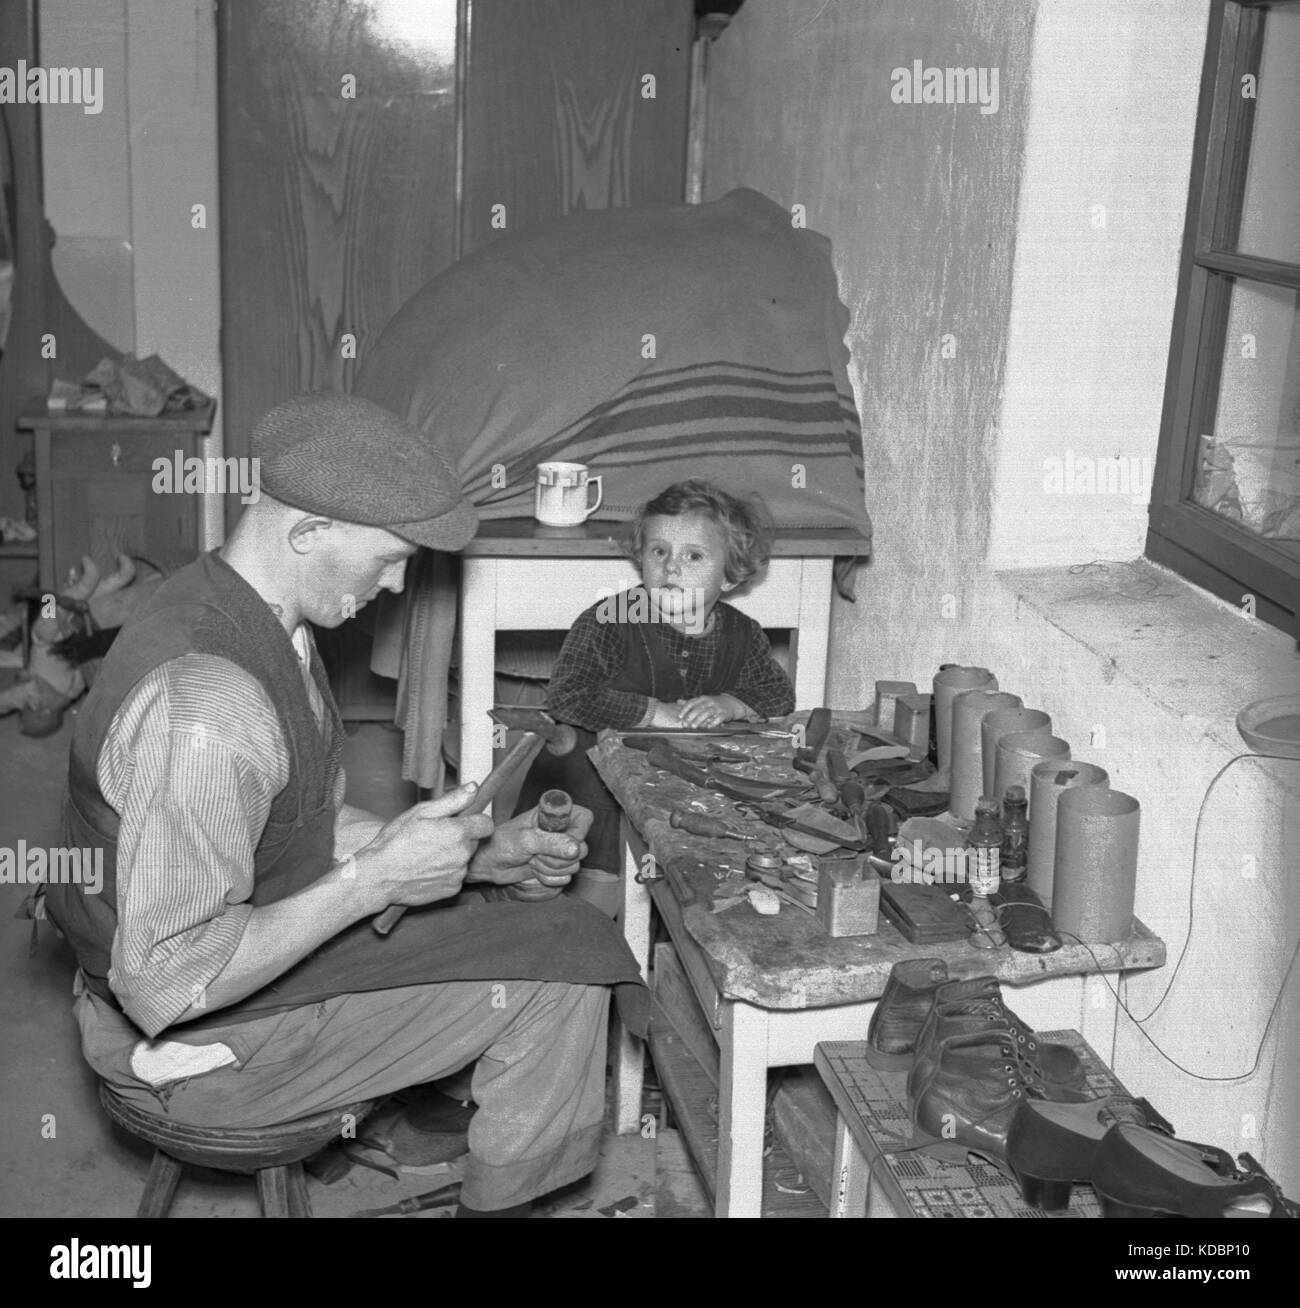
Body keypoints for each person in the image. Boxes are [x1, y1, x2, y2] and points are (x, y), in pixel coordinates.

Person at [43, 392, 644, 1218]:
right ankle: (499, 1201)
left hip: (218, 971)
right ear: (306, 533)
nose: (397, 585)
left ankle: (440, 1120)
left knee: (533, 915)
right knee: (570, 963)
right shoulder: (210, 707)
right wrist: (374, 883)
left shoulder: (255, 617)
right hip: (186, 1042)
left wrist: (473, 857)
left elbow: (300, 828)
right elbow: (166, 984)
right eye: (389, 558)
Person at [514, 477, 796, 878]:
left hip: (682, 784)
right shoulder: (610, 619)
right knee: (582, 877)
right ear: (641, 557)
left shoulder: (742, 632)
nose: (671, 566)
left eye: (694, 556)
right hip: (595, 781)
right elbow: (567, 696)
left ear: (730, 577)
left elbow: (778, 694)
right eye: (659, 551)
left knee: (693, 865)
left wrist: (729, 704)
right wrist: (652, 712)